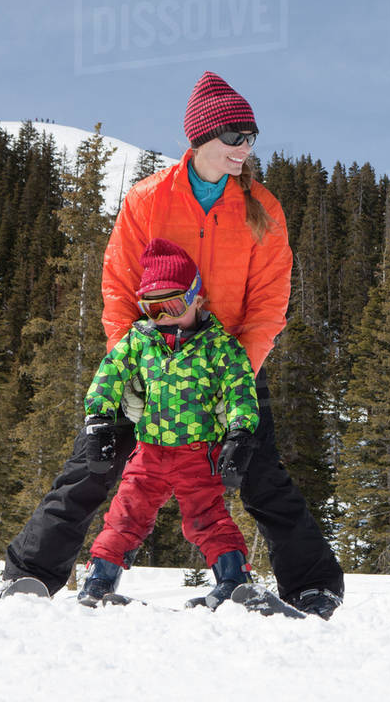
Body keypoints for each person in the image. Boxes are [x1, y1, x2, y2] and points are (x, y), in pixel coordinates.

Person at [3, 71, 344, 619]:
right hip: (147, 358)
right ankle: (31, 577)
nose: (244, 149)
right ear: (201, 138)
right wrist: (135, 363)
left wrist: (231, 376)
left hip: (225, 363)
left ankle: (313, 587)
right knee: (95, 462)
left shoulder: (263, 208)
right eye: (233, 137)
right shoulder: (149, 198)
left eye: (251, 137)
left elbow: (268, 304)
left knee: (260, 473)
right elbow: (118, 285)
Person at [76, 238, 258, 608]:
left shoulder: (218, 345)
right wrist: (98, 419)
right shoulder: (140, 341)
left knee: (208, 519)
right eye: (152, 309)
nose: (163, 318)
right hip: (149, 453)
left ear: (196, 298)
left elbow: (240, 388)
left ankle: (234, 581)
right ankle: (99, 580)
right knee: (126, 513)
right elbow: (109, 374)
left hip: (199, 454)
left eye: (172, 305)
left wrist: (240, 434)